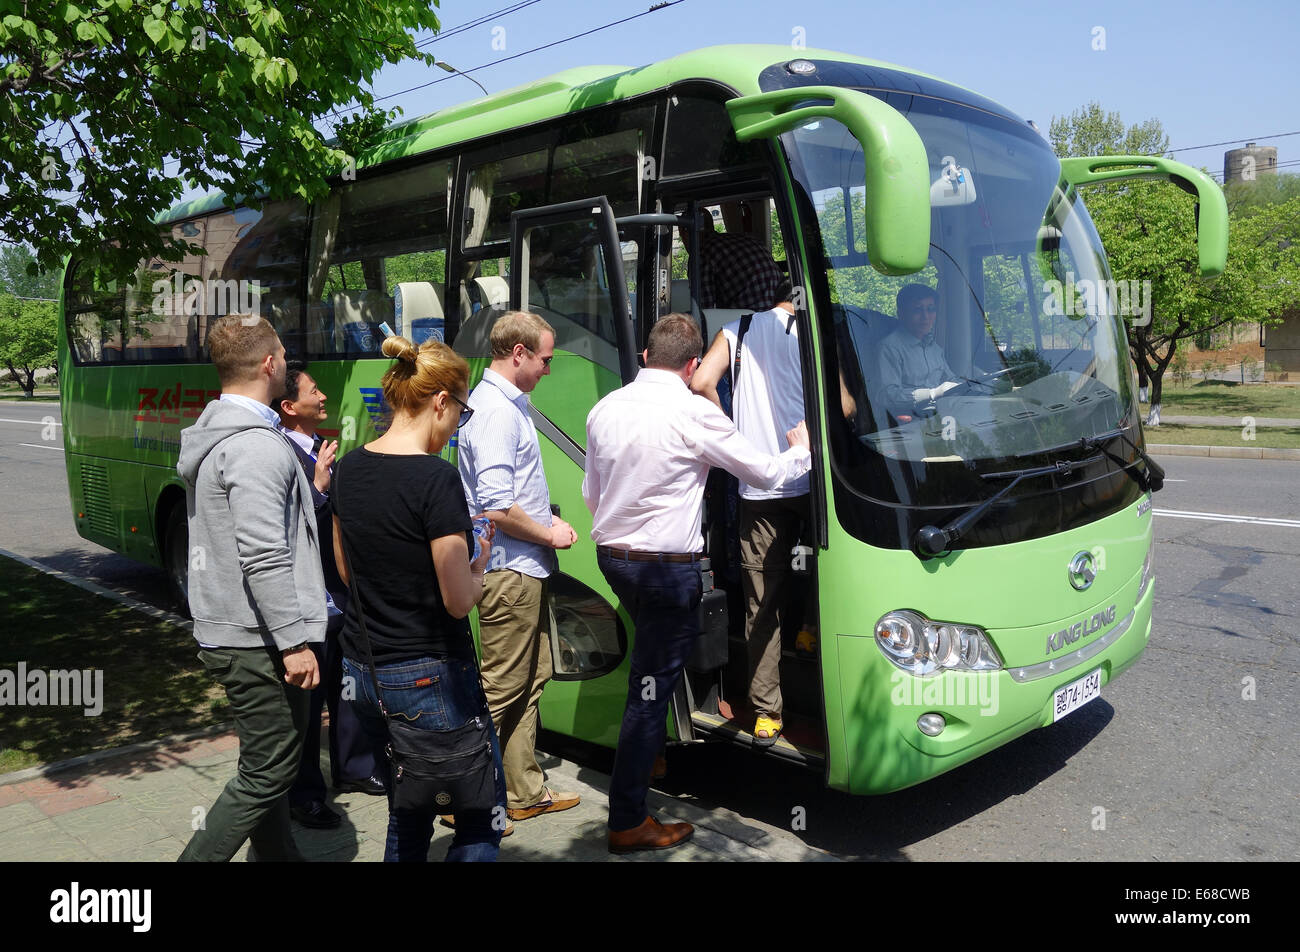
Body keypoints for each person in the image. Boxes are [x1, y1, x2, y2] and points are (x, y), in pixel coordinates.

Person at [583, 313, 812, 854]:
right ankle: (628, 818)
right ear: (692, 367)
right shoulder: (693, 413)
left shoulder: (605, 407)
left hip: (614, 559)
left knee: (649, 670)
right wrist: (801, 446)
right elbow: (766, 474)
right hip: (665, 568)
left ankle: (651, 753)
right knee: (650, 687)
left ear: (645, 357)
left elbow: (593, 494)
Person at [331, 334, 505, 862]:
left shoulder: (349, 468)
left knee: (409, 808)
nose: (457, 426)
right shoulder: (436, 480)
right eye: (462, 412)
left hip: (364, 672)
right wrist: (478, 570)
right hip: (429, 679)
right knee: (480, 815)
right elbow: (456, 601)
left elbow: (346, 572)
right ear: (439, 402)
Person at [176, 314, 325, 862]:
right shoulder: (257, 446)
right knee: (267, 772)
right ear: (268, 364)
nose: (287, 363)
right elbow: (263, 554)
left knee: (270, 765)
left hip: (242, 629)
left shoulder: (222, 430)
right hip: (256, 638)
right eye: (283, 355)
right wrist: (293, 641)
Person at [690, 282, 841, 748]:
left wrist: (730, 430)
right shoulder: (816, 333)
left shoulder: (739, 328)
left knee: (761, 598)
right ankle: (812, 636)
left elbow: (700, 384)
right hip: (812, 477)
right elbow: (843, 403)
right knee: (830, 575)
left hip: (758, 484)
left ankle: (766, 714)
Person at [457, 311, 581, 823]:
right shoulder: (496, 411)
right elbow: (496, 507)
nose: (549, 370)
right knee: (502, 687)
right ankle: (467, 802)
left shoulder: (505, 405)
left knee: (531, 679)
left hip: (521, 567)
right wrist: (549, 531)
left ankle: (523, 793)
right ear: (519, 354)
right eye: (546, 359)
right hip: (510, 571)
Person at [276, 362, 385, 831]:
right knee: (305, 705)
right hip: (306, 602)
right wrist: (319, 490)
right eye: (314, 391)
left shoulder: (321, 448)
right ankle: (304, 795)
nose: (323, 398)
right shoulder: (280, 455)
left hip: (339, 596)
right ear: (289, 406)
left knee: (349, 686)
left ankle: (356, 767)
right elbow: (283, 532)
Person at [878, 284, 960, 421]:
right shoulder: (889, 347)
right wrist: (932, 393)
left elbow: (950, 379)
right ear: (901, 314)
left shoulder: (934, 347)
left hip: (940, 417)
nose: (925, 317)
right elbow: (886, 396)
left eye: (931, 309)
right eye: (917, 310)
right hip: (908, 423)